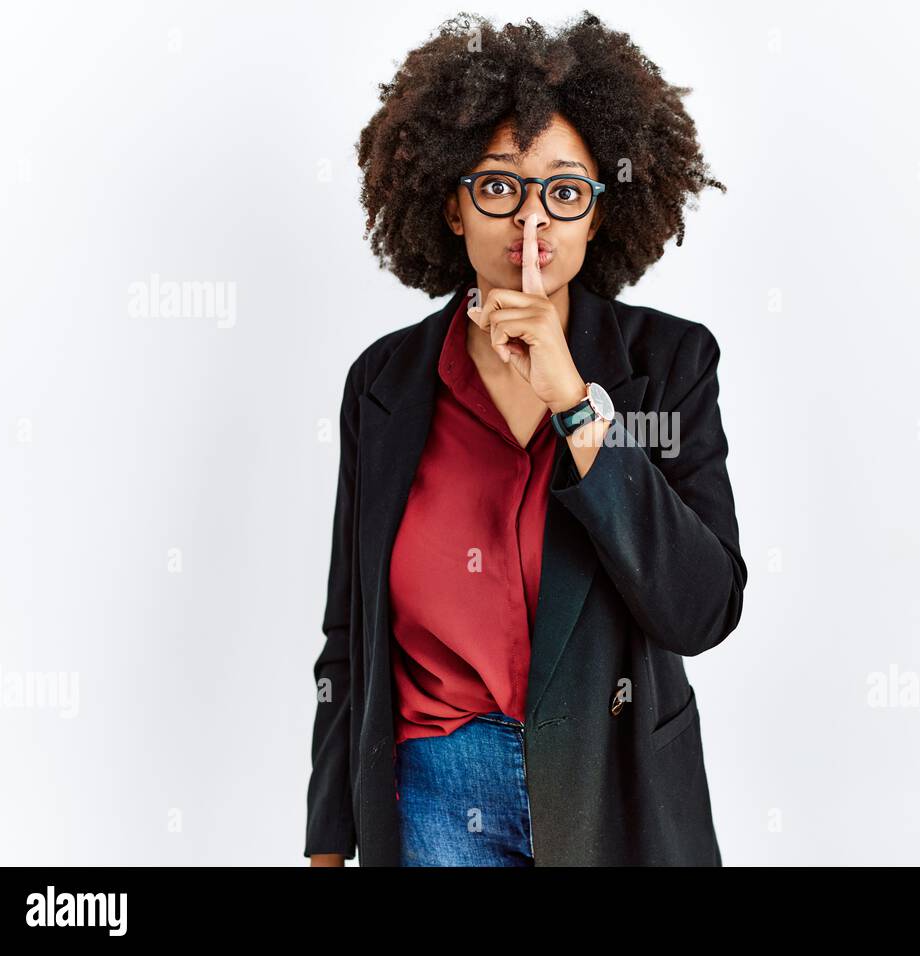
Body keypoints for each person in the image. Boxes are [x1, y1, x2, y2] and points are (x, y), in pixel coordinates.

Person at [306, 11, 747, 866]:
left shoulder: (671, 364)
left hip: (613, 792)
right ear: (450, 202)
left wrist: (577, 405)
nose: (532, 223)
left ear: (597, 217)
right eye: (502, 187)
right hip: (430, 796)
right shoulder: (386, 384)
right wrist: (329, 840)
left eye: (566, 191)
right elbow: (347, 633)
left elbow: (701, 610)